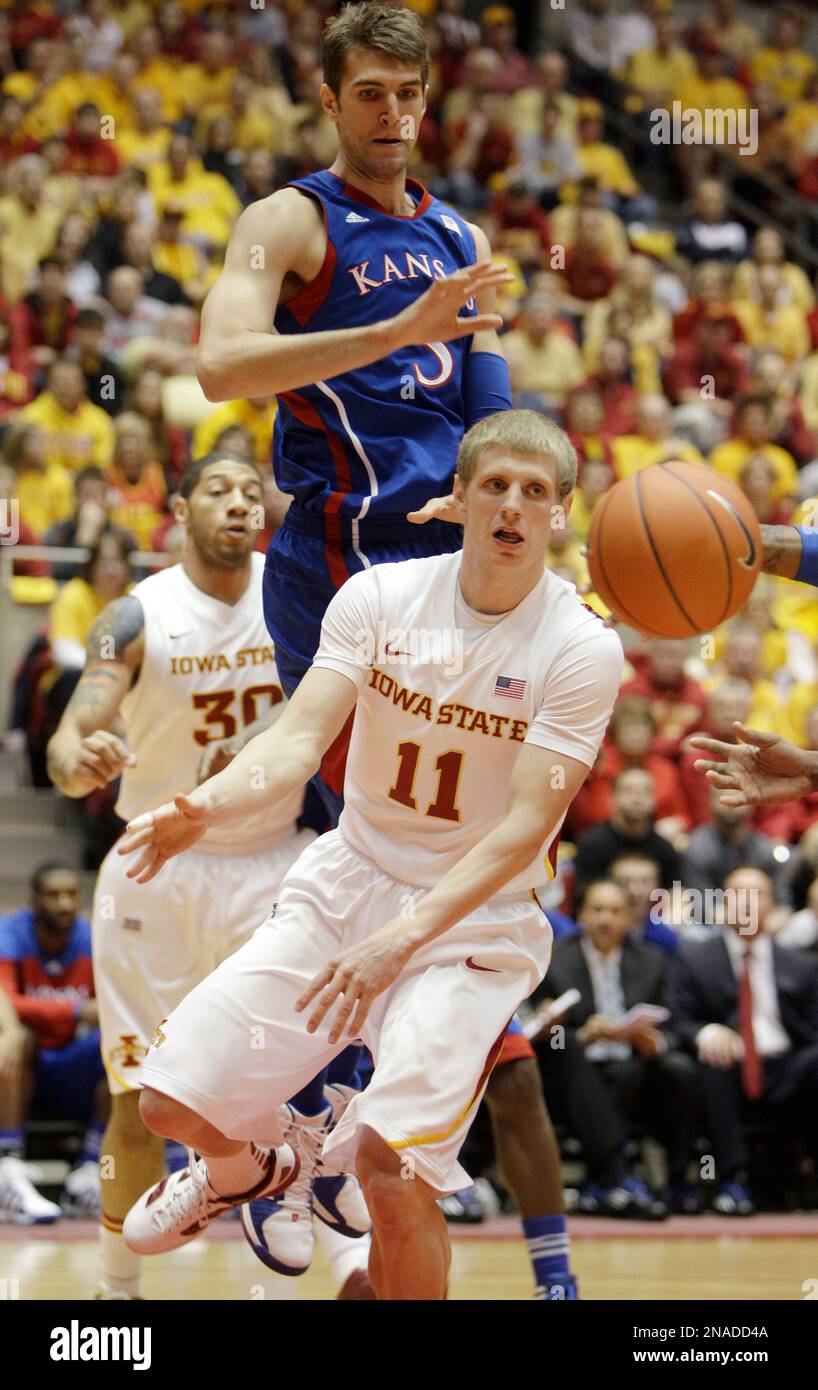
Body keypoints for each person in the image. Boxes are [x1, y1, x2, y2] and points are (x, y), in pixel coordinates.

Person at [195, 1, 576, 1298]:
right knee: (373, 850)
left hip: (454, 569)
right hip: (347, 571)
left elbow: (490, 404)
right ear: (329, 99)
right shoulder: (290, 220)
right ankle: (293, 1138)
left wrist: (504, 492)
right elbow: (219, 365)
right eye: (367, 93)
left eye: (407, 97)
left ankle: (380, 1144)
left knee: (475, 854)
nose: (391, 115)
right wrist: (391, 330)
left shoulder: (456, 235)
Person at [116, 409, 624, 1302]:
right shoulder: (380, 598)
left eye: (535, 492)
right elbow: (298, 740)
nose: (512, 505)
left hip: (471, 919)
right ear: (458, 497)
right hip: (349, 878)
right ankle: (252, 1171)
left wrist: (404, 938)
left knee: (392, 1172)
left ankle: (359, 1163)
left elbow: (521, 834)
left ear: (560, 515)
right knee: (168, 1103)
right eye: (495, 485)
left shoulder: (582, 647)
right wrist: (206, 802)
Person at [46, 451, 368, 1301]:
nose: (236, 504)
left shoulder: (300, 591)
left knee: (307, 1079)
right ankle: (117, 1295)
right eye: (215, 491)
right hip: (156, 865)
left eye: (247, 492)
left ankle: (349, 1269)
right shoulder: (134, 614)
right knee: (140, 1093)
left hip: (276, 863)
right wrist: (82, 757)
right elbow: (70, 739)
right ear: (179, 509)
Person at [534, 880, 699, 1217]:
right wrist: (578, 1035)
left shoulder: (652, 961)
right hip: (571, 1070)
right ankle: (618, 1175)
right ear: (580, 914)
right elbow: (537, 1030)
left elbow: (671, 1027)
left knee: (677, 1069)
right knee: (569, 1052)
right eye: (596, 909)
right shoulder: (553, 958)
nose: (605, 919)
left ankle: (678, 1184)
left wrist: (650, 1040)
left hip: (632, 1064)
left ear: (629, 918)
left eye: (614, 911)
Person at [667, 866, 818, 1215]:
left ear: (773, 905)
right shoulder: (694, 958)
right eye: (738, 895)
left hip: (786, 1067)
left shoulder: (802, 965)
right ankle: (732, 1180)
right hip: (729, 1067)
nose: (747, 905)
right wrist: (707, 1031)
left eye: (757, 895)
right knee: (713, 1060)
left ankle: (806, 1175)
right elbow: (677, 1019)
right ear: (722, 904)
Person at [0, 864, 108, 1224]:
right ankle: (8, 1168)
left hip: (71, 1065)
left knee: (121, 1046)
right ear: (33, 900)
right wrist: (75, 1010)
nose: (65, 903)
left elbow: (109, 1007)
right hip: (23, 1063)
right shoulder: (11, 933)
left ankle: (88, 1175)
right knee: (16, 1037)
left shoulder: (92, 938)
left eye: (72, 894)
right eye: (54, 895)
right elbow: (7, 999)